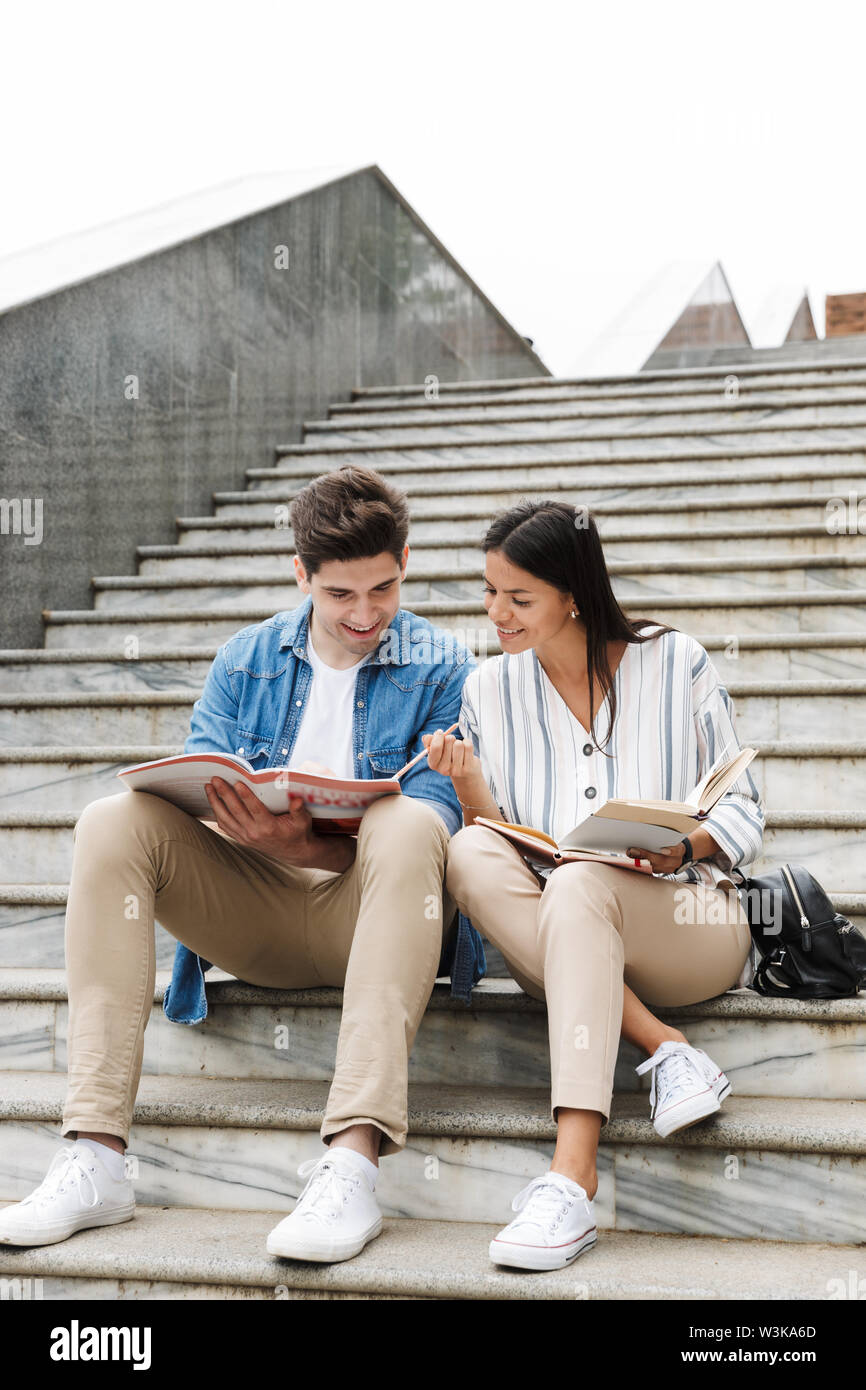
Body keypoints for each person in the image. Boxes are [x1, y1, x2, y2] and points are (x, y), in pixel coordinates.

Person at [0, 464, 483, 1263]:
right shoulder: (246, 660)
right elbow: (199, 786)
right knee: (111, 822)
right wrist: (250, 832)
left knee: (406, 821)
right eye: (341, 596)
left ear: (405, 561)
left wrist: (306, 845)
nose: (366, 616)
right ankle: (95, 1156)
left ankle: (353, 1164)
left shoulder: (442, 663)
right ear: (302, 575)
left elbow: (439, 826)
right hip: (252, 914)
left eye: (384, 589)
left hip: (372, 916)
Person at [424, 498, 764, 1272]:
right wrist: (471, 783)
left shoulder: (676, 663)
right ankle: (664, 1046)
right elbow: (505, 834)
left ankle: (572, 1175)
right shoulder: (490, 691)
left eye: (518, 598)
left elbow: (745, 806)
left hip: (688, 917)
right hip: (570, 928)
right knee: (471, 853)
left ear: (572, 592)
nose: (495, 613)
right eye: (488, 593)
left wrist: (684, 848)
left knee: (577, 886)